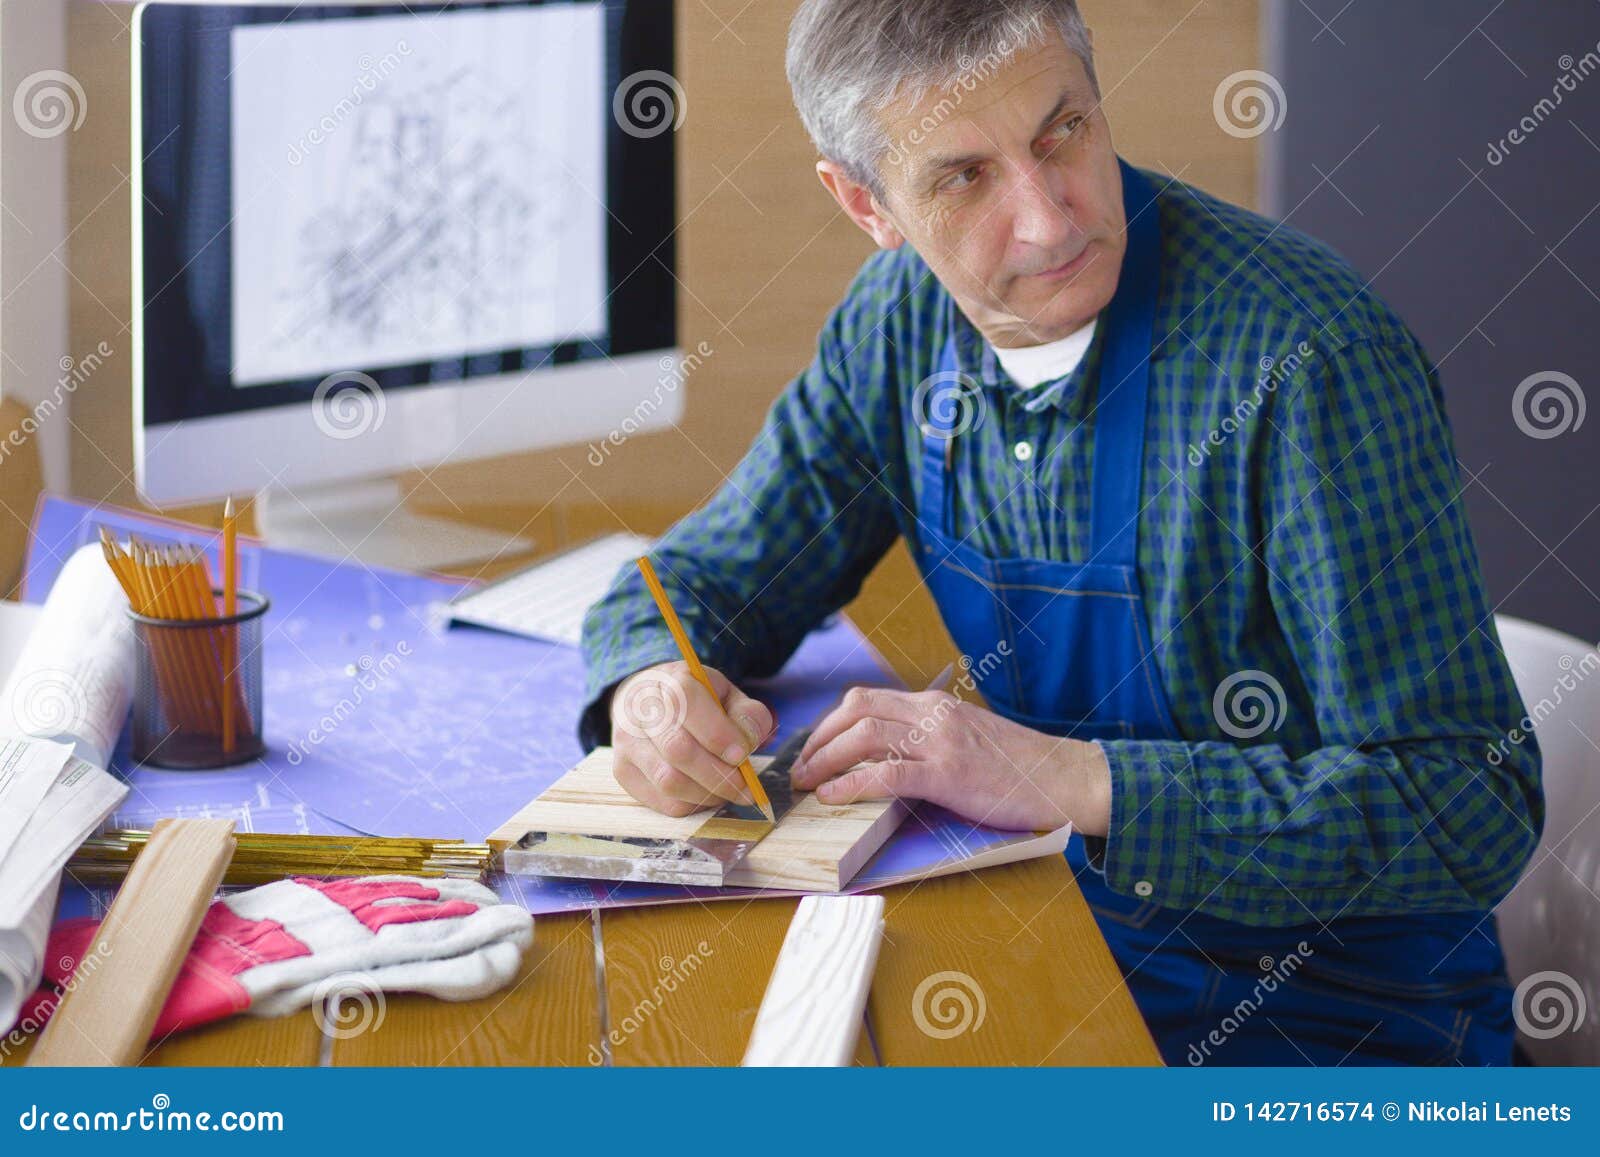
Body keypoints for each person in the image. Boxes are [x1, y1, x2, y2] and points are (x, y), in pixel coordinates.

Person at [578, 0, 1542, 1066]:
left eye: (1062, 133)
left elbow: (1471, 805)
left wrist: (1076, 779)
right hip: (1071, 946)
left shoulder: (1309, 361)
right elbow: (695, 581)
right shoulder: (896, 327)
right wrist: (651, 688)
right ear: (865, 202)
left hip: (1341, 1022)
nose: (1050, 222)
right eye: (964, 177)